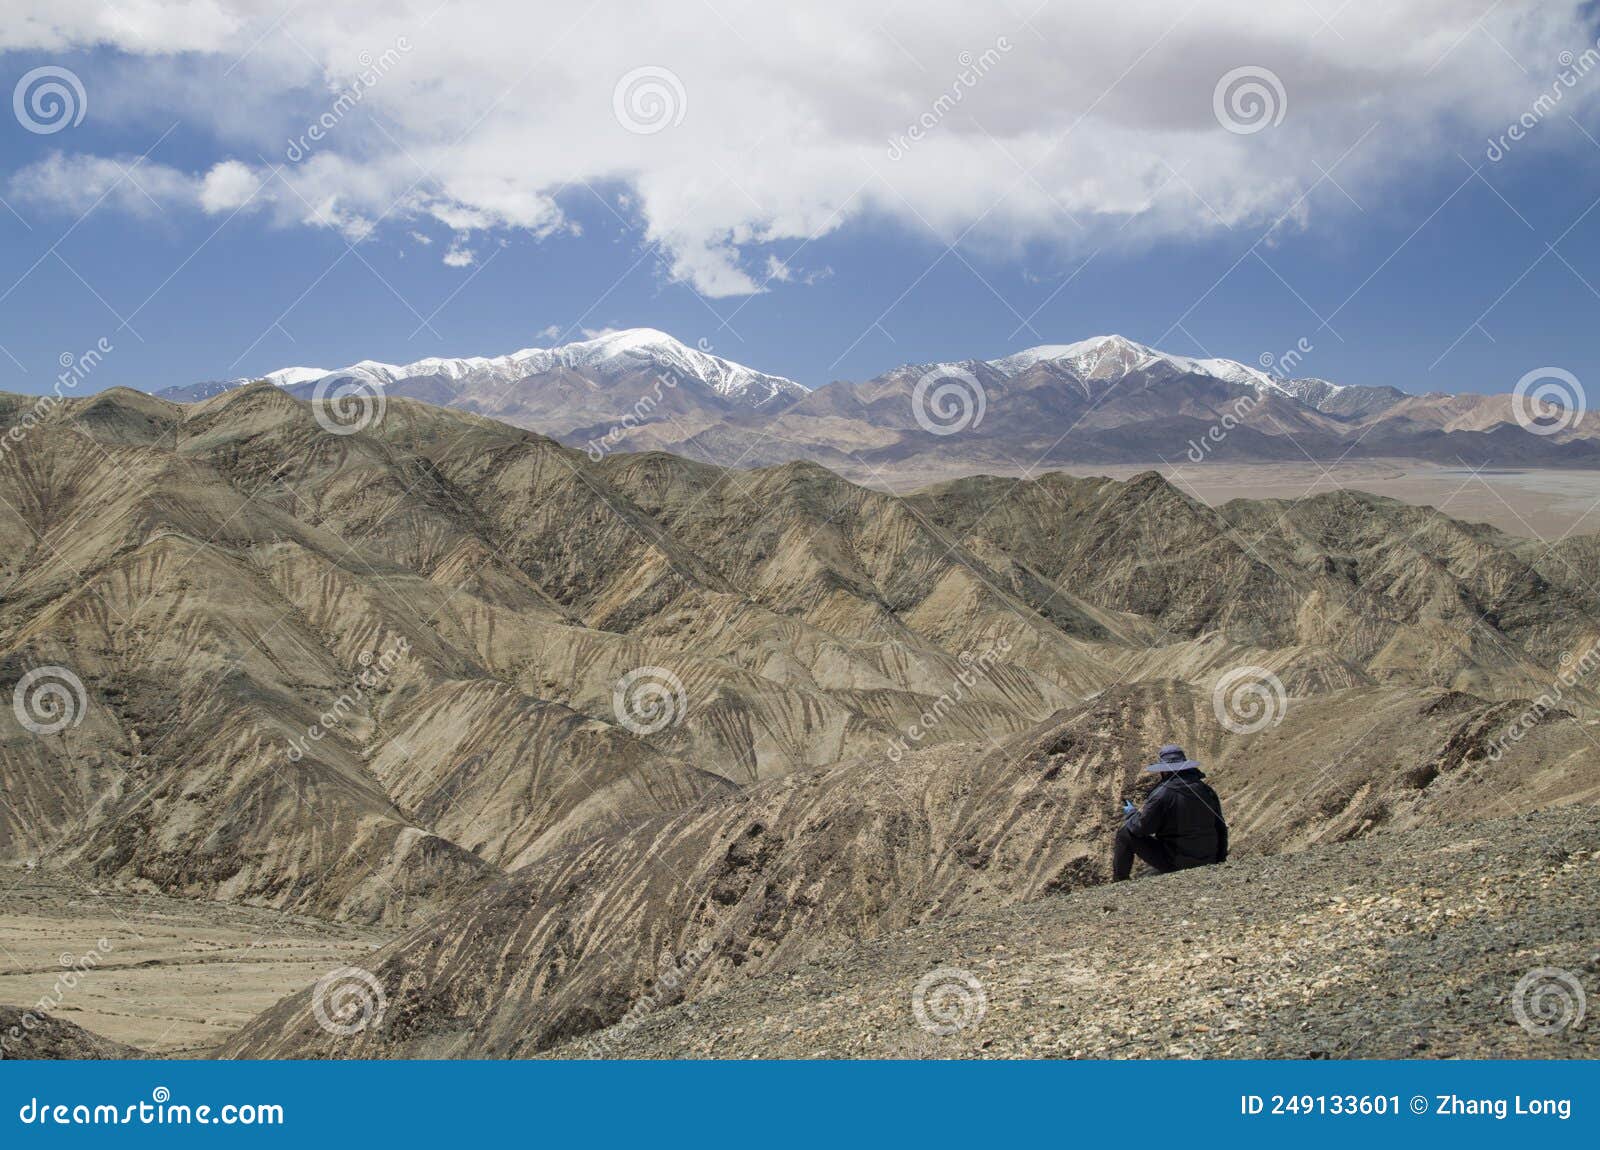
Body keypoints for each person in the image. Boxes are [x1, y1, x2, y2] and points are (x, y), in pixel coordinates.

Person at [1112, 744, 1228, 881]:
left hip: (1177, 861)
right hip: (1209, 858)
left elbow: (1142, 828)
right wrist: (1219, 861)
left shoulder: (1162, 794)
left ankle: (1119, 881)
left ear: (1163, 771)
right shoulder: (1206, 790)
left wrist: (1131, 813)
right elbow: (1221, 828)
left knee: (1125, 833)